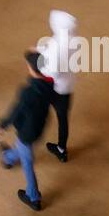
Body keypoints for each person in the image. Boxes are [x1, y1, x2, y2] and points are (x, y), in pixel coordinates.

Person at [0, 51, 54, 212]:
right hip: (39, 128)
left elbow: (16, 111)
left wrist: (1, 125)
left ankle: (33, 197)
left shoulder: (27, 92)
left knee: (27, 161)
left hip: (27, 132)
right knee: (23, 150)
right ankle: (8, 158)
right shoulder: (49, 85)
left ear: (31, 69)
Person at [36, 10, 77, 163]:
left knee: (38, 112)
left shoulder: (58, 44)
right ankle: (61, 149)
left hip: (54, 88)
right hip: (68, 87)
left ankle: (29, 142)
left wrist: (40, 60)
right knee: (63, 119)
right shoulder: (73, 38)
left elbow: (52, 72)